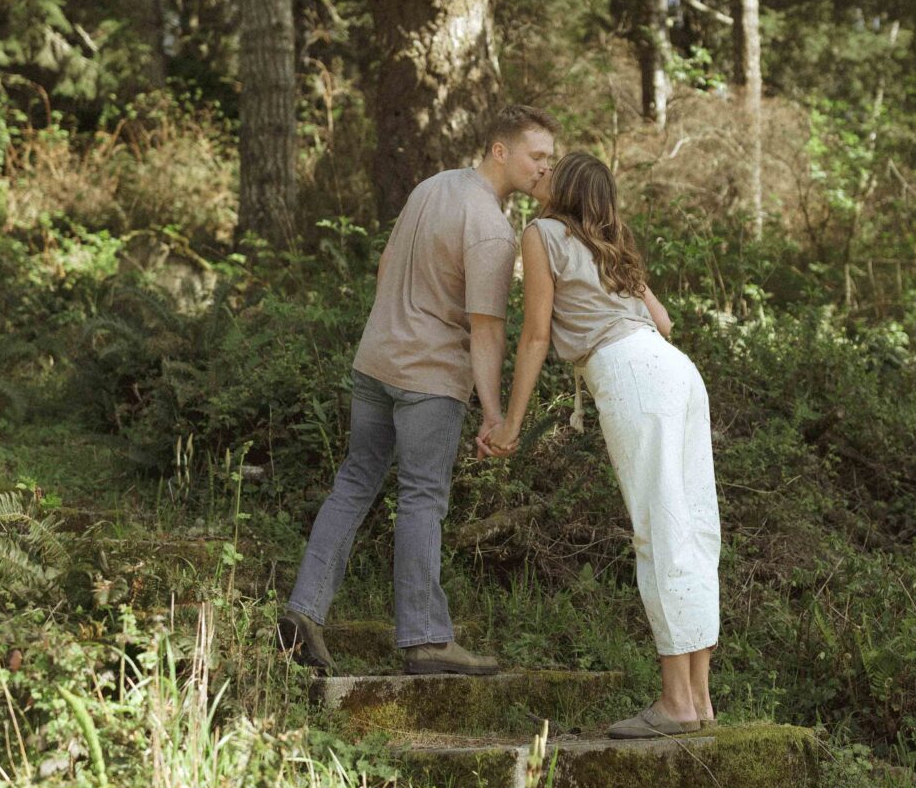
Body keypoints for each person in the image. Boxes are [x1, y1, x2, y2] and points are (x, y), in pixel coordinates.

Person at [277, 105, 558, 676]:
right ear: (500, 151)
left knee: (354, 483)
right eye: (537, 156)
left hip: (375, 360)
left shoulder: (431, 187)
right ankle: (426, 640)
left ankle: (303, 613)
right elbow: (486, 329)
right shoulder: (490, 229)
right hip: (429, 379)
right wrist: (494, 412)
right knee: (422, 499)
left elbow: (385, 267)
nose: (544, 170)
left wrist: (394, 328)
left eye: (550, 159)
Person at [489, 151, 720, 736]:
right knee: (693, 530)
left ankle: (674, 704)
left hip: (632, 376)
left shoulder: (541, 233)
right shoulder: (611, 244)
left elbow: (536, 333)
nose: (540, 177)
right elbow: (664, 322)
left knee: (660, 530)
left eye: (550, 171)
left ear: (562, 188)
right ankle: (698, 700)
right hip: (677, 371)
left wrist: (512, 423)